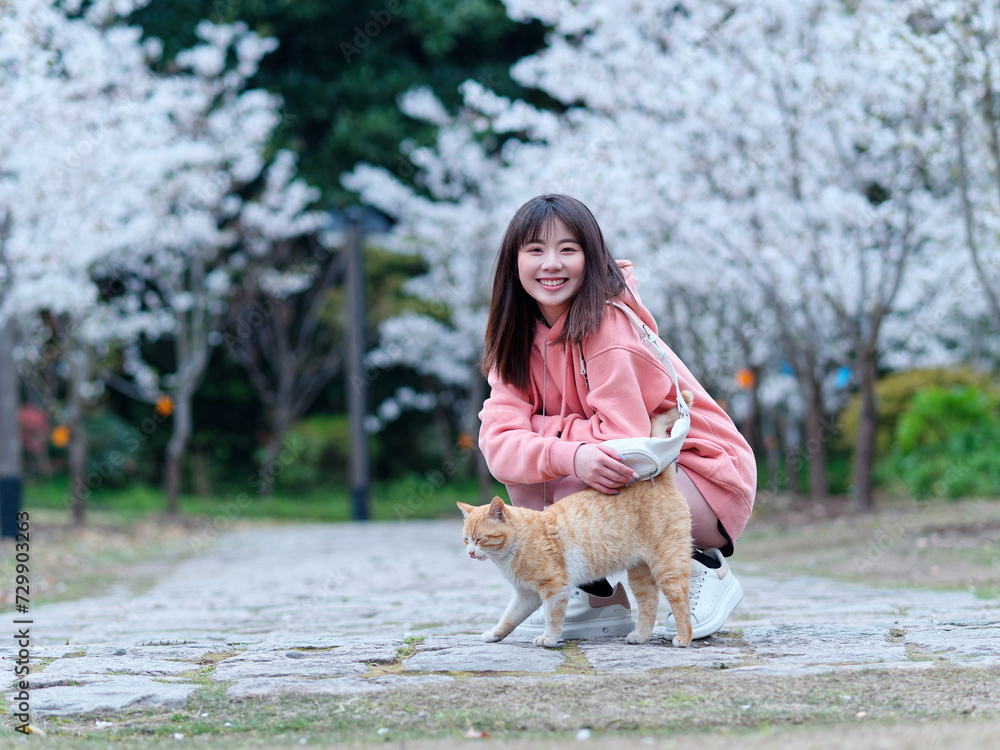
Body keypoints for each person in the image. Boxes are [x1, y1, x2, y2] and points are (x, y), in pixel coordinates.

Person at [477, 194, 756, 640]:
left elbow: (624, 443)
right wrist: (570, 452)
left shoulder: (608, 326)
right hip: (635, 477)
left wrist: (549, 439)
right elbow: (497, 448)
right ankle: (601, 594)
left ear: (591, 258)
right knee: (529, 472)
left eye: (568, 249)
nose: (552, 263)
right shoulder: (516, 339)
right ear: (513, 263)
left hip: (700, 477)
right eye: (535, 250)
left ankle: (703, 566)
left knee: (582, 462)